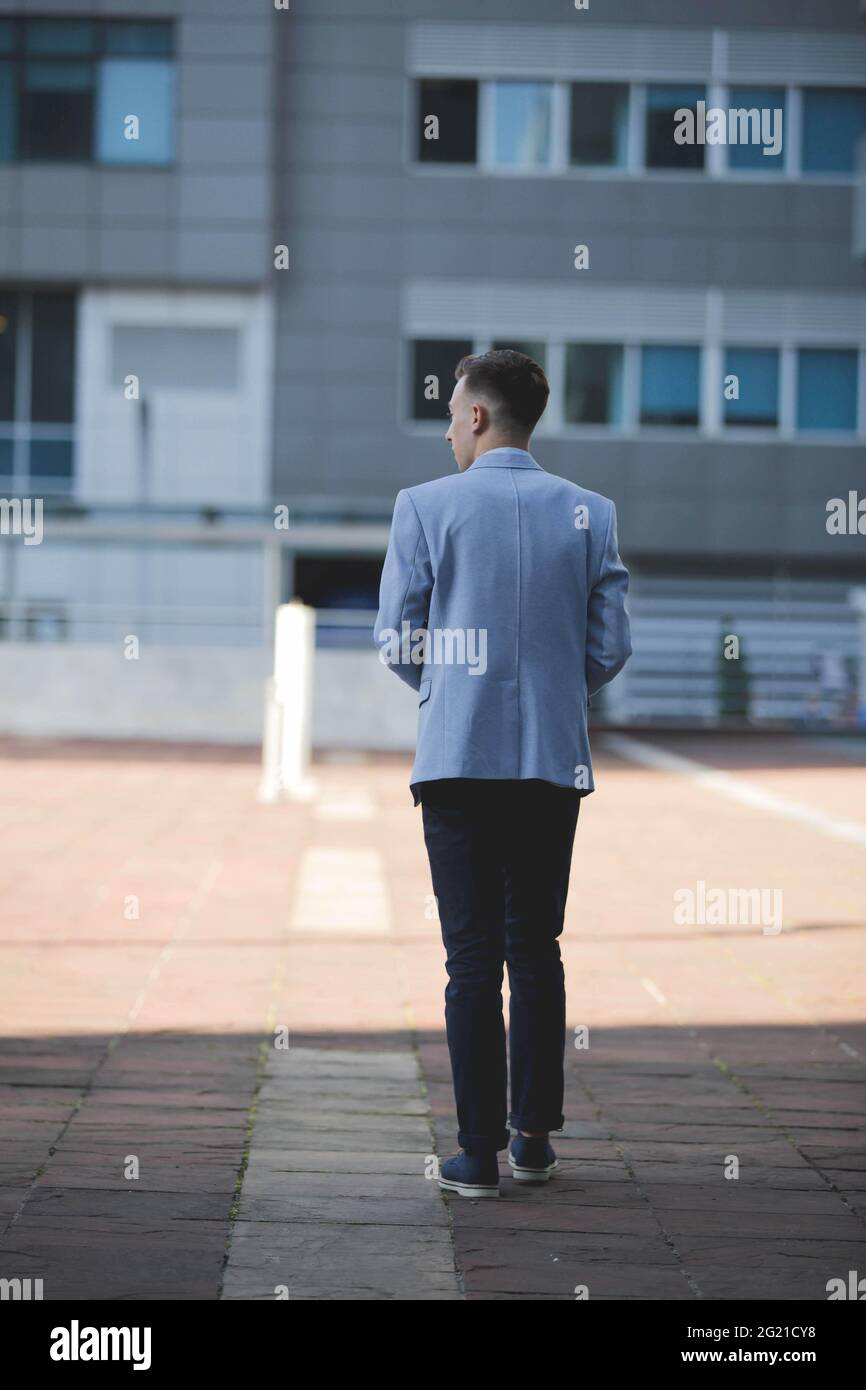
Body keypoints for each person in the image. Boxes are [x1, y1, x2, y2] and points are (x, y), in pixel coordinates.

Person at [373, 349, 632, 1198]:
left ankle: (475, 1154)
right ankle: (533, 1143)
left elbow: (397, 639)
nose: (450, 426)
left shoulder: (423, 507)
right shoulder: (591, 513)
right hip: (551, 769)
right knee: (538, 950)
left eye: (452, 412)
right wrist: (550, 693)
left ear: (479, 416)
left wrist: (454, 690)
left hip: (457, 763)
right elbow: (609, 647)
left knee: (471, 959)